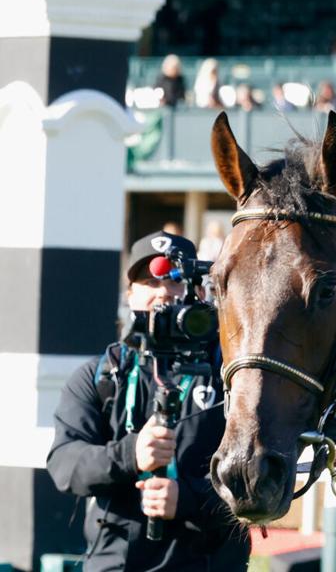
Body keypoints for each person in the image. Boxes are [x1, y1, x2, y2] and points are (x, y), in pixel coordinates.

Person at [47, 233, 248, 571]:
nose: (162, 291)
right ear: (130, 294)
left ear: (199, 292)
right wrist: (130, 454)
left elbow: (256, 481)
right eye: (148, 281)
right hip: (116, 562)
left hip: (210, 561)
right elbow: (65, 465)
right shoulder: (101, 375)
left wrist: (188, 498)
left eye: (174, 280)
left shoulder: (232, 375)